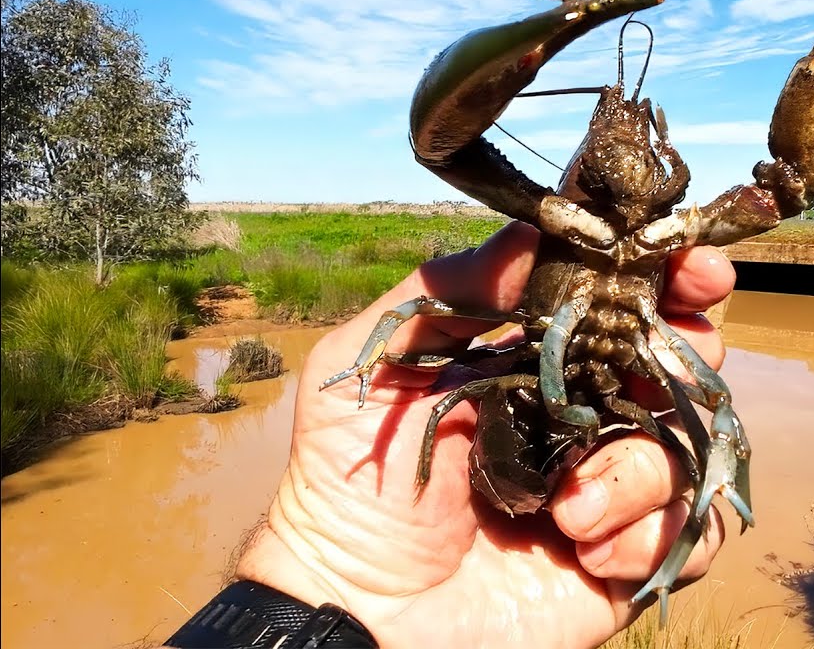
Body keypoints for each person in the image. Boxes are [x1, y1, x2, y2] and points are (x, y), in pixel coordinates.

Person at [164, 221, 737, 649]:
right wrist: (329, 572)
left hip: (586, 432)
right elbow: (415, 318)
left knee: (701, 435)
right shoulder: (525, 277)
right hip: (510, 407)